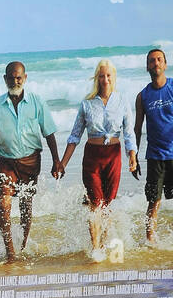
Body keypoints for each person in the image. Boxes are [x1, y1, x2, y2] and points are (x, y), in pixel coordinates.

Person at [0, 61, 62, 262]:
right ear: (5, 79)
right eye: (11, 77)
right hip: (6, 163)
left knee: (26, 207)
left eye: (18, 77)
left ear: (25, 78)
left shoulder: (37, 102)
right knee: (4, 207)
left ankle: (22, 246)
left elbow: (49, 133)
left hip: (30, 162)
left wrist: (56, 161)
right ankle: (10, 253)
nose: (15, 81)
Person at [58, 60, 138, 261]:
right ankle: (95, 249)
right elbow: (75, 135)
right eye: (101, 75)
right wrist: (63, 163)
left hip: (113, 156)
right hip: (92, 156)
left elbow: (129, 133)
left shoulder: (122, 101)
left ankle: (102, 244)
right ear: (97, 78)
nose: (105, 79)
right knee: (95, 203)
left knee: (107, 204)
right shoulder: (87, 103)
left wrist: (132, 156)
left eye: (109, 75)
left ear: (114, 77)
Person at [134, 47, 173, 241]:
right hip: (155, 158)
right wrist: (134, 156)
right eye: (152, 60)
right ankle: (150, 239)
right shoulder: (142, 96)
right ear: (147, 67)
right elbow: (137, 129)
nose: (156, 63)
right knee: (154, 202)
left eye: (159, 59)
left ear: (165, 64)